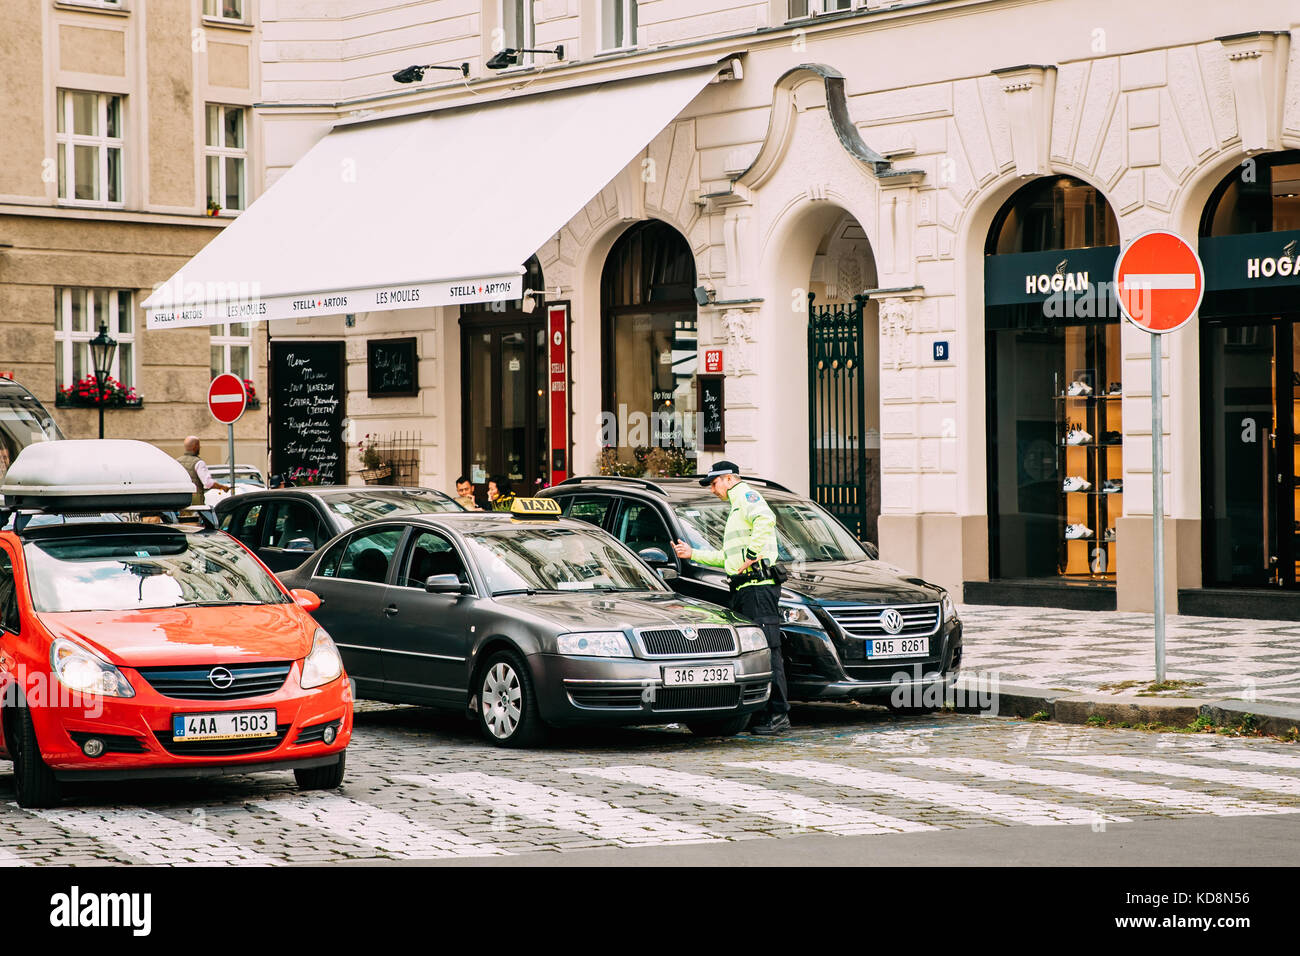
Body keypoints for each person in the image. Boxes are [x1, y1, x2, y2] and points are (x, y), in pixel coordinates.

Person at [672, 461, 790, 736]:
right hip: (745, 589)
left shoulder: (747, 497)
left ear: (727, 479)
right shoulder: (736, 508)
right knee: (755, 651)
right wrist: (693, 554)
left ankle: (778, 714)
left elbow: (766, 521)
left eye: (714, 484)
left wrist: (751, 556)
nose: (713, 490)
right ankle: (763, 713)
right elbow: (727, 559)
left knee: (769, 650)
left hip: (758, 588)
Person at [175, 436, 228, 506]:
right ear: (195, 446)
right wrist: (222, 487)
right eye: (199, 445)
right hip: (195, 501)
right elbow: (208, 483)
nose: (200, 447)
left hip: (180, 500)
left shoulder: (177, 461)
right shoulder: (199, 463)